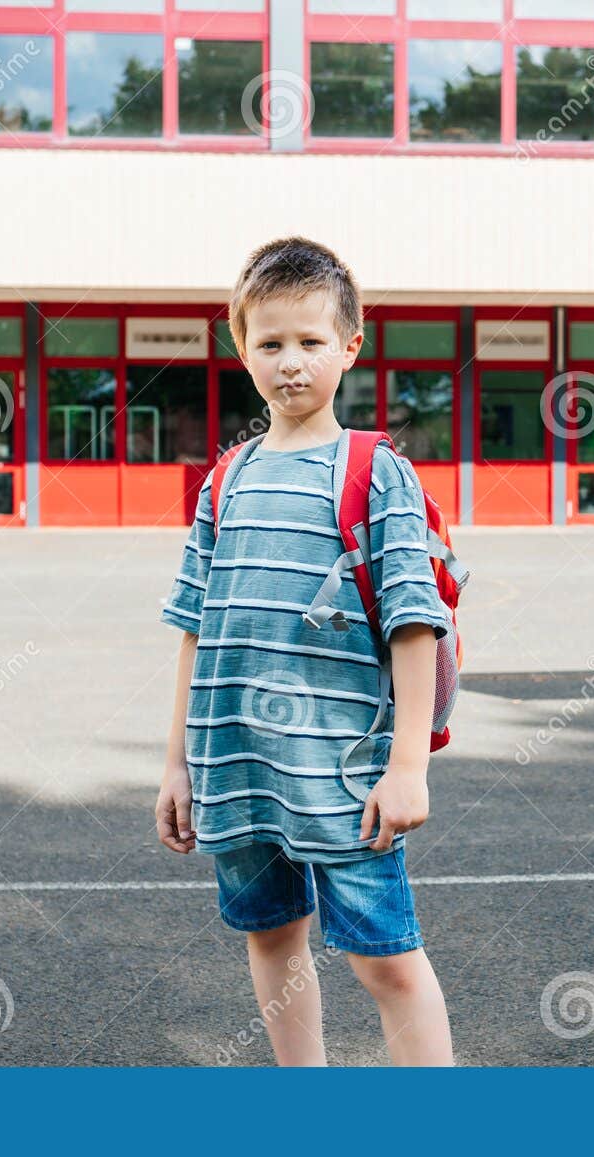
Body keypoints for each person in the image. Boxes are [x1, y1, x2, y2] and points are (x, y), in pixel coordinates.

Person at [155, 236, 455, 1066]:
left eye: (312, 341)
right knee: (272, 940)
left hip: (344, 771)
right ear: (241, 347)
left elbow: (414, 623)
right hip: (238, 762)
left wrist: (408, 768)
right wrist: (178, 763)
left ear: (351, 346)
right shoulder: (225, 478)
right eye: (270, 342)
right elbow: (194, 626)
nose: (291, 363)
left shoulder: (375, 471)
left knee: (385, 959)